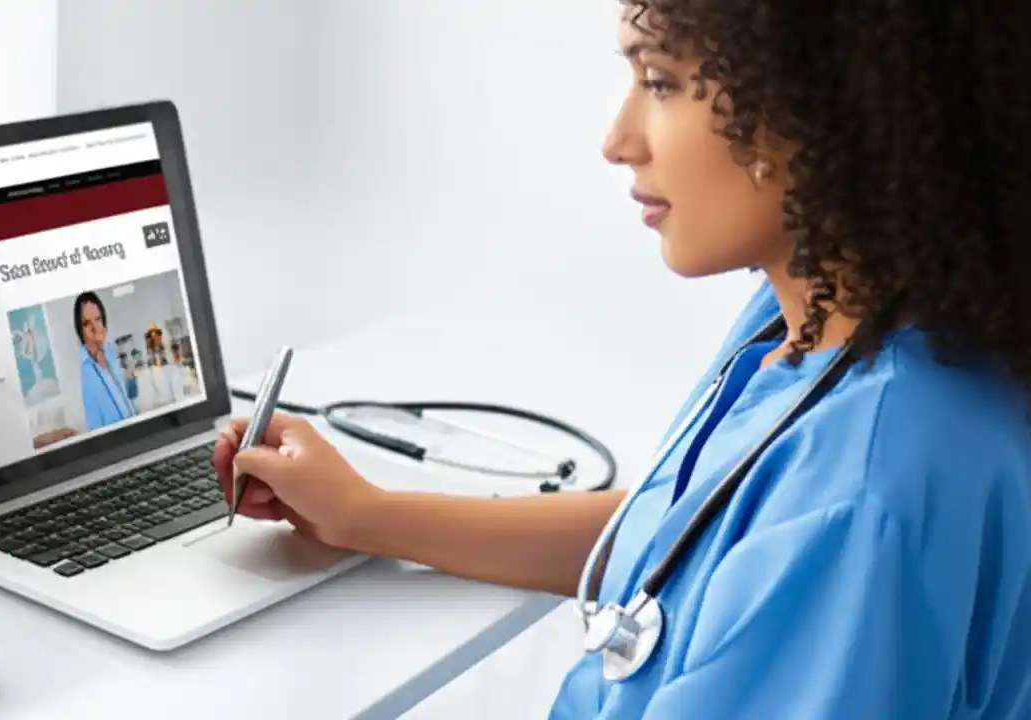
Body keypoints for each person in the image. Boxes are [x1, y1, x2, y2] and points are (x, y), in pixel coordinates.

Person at [214, 1, 1031, 717]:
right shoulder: (830, 322)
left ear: (823, 98)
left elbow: (792, 542)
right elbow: (686, 542)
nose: (617, 140)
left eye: (662, 81)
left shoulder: (859, 502)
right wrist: (368, 515)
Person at [74, 291, 135, 430]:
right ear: (80, 330)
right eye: (86, 323)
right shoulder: (84, 372)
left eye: (98, 319)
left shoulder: (111, 352)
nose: (95, 328)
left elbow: (128, 396)